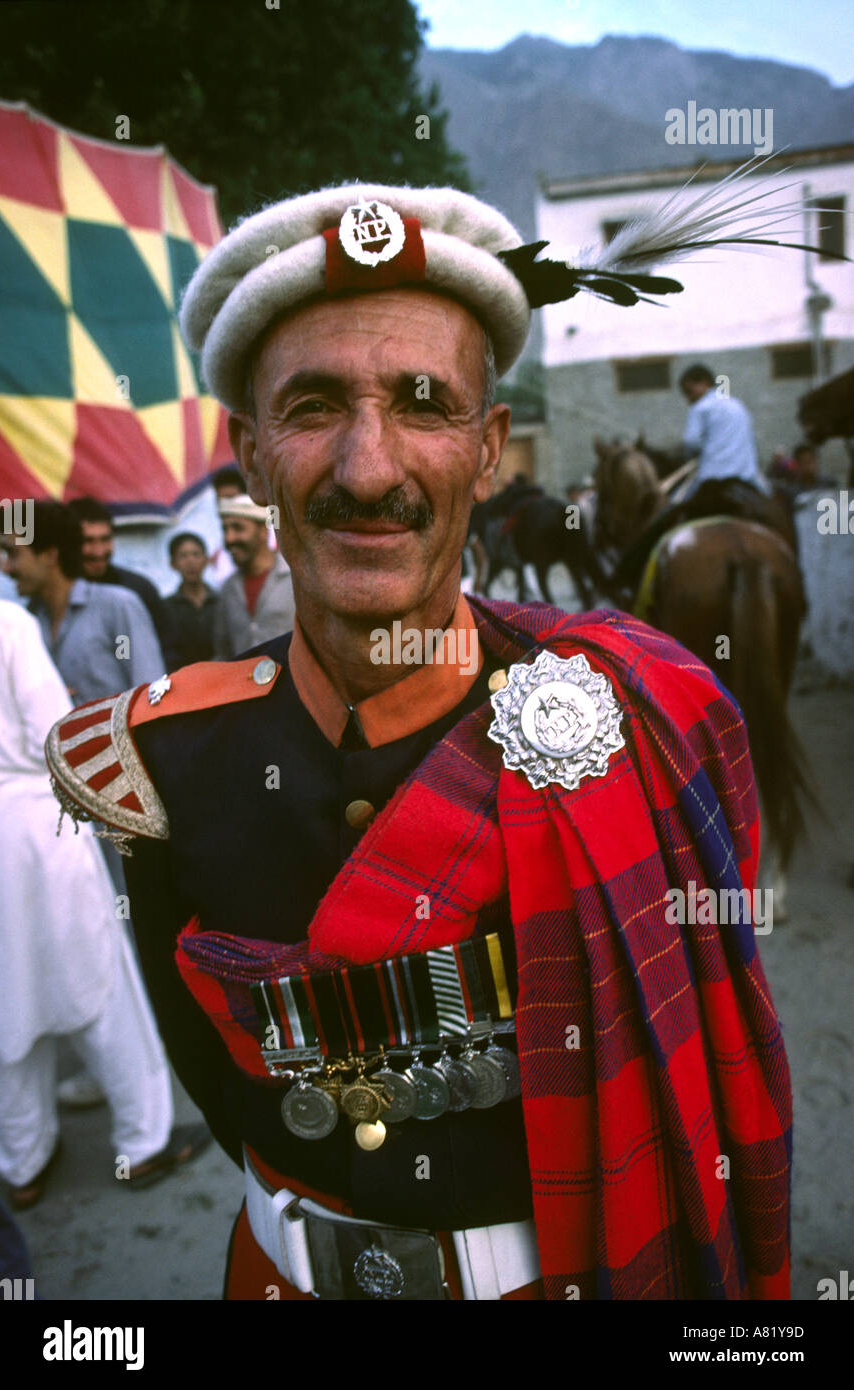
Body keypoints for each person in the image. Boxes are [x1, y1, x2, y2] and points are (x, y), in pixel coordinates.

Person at [46, 184, 791, 1301]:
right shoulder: (156, 761)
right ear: (249, 459)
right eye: (311, 407)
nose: (367, 467)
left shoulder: (645, 714)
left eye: (425, 402)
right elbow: (214, 1075)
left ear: (489, 450)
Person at [0, 536, 210, 1208]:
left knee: (4, 1003)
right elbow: (49, 733)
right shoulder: (8, 625)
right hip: (33, 824)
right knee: (102, 985)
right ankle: (143, 1141)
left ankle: (21, 1160)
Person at [614, 364, 786, 594]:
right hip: (748, 480)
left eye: (689, 391)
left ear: (704, 383)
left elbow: (691, 445)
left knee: (660, 524)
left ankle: (626, 579)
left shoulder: (701, 408)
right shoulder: (738, 406)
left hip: (713, 482)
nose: (687, 398)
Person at [3, 502, 164, 708]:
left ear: (49, 556)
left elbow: (150, 691)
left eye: (14, 554)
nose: (6, 568)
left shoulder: (116, 608)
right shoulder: (29, 621)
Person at [68, 497, 170, 660]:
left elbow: (169, 649)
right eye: (88, 541)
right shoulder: (58, 598)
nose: (99, 551)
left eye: (105, 539)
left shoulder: (138, 589)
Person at [213, 494, 295, 657]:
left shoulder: (294, 579)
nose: (229, 538)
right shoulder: (228, 588)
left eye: (238, 528)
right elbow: (223, 652)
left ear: (263, 531)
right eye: (225, 529)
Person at [163, 532, 218, 670]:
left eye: (196, 554)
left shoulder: (221, 601)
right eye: (183, 556)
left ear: (206, 560)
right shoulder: (166, 607)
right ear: (173, 564)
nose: (190, 562)